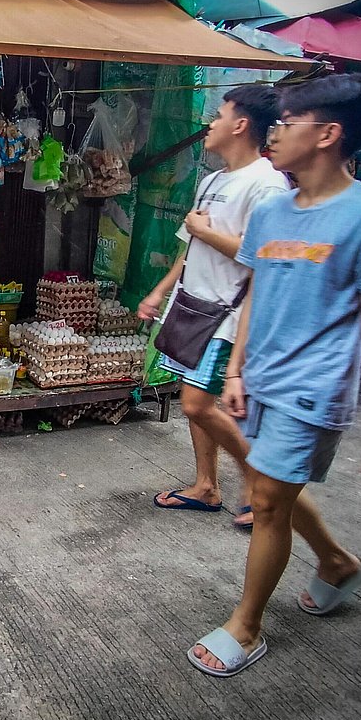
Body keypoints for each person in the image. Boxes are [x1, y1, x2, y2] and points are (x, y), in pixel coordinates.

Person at [188, 73, 361, 677]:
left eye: (288, 124)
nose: (275, 133)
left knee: (265, 501)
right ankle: (337, 563)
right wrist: (236, 368)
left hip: (314, 388)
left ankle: (248, 625)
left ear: (328, 134)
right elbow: (258, 290)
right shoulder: (274, 210)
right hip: (260, 377)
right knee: (272, 488)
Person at [138, 85, 289, 529]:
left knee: (196, 404)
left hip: (227, 315)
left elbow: (265, 256)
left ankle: (261, 481)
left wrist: (203, 232)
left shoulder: (267, 185)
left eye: (219, 115)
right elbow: (190, 246)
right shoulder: (213, 179)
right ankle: (206, 485)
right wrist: (160, 291)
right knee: (194, 401)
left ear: (241, 124)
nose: (210, 124)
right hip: (193, 306)